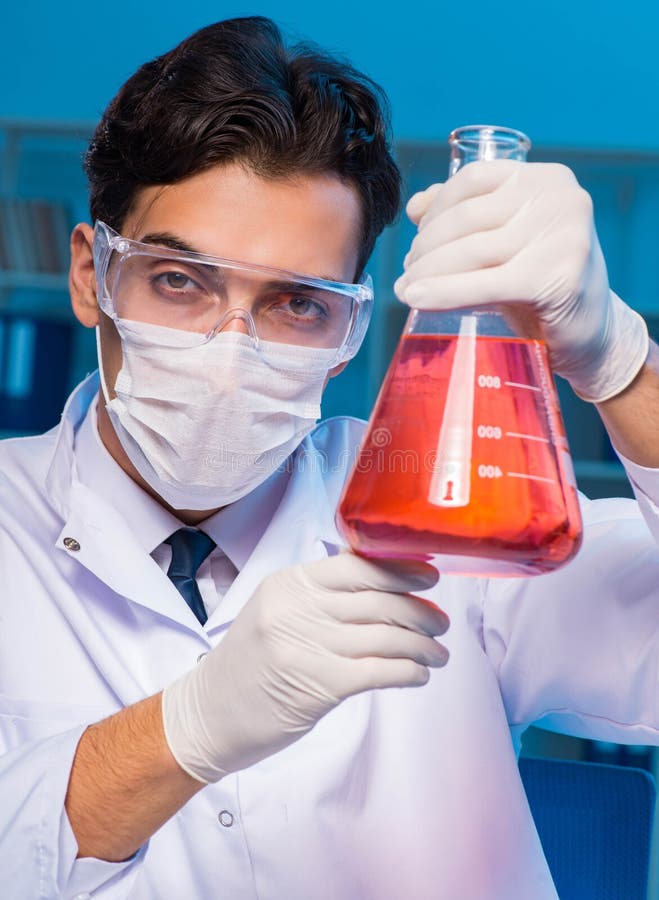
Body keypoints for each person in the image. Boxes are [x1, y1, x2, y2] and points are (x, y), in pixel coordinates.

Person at [0, 15, 657, 900]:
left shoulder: (449, 518)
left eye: (296, 305)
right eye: (177, 281)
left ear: (350, 327)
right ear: (91, 275)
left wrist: (618, 363)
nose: (228, 353)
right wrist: (184, 730)